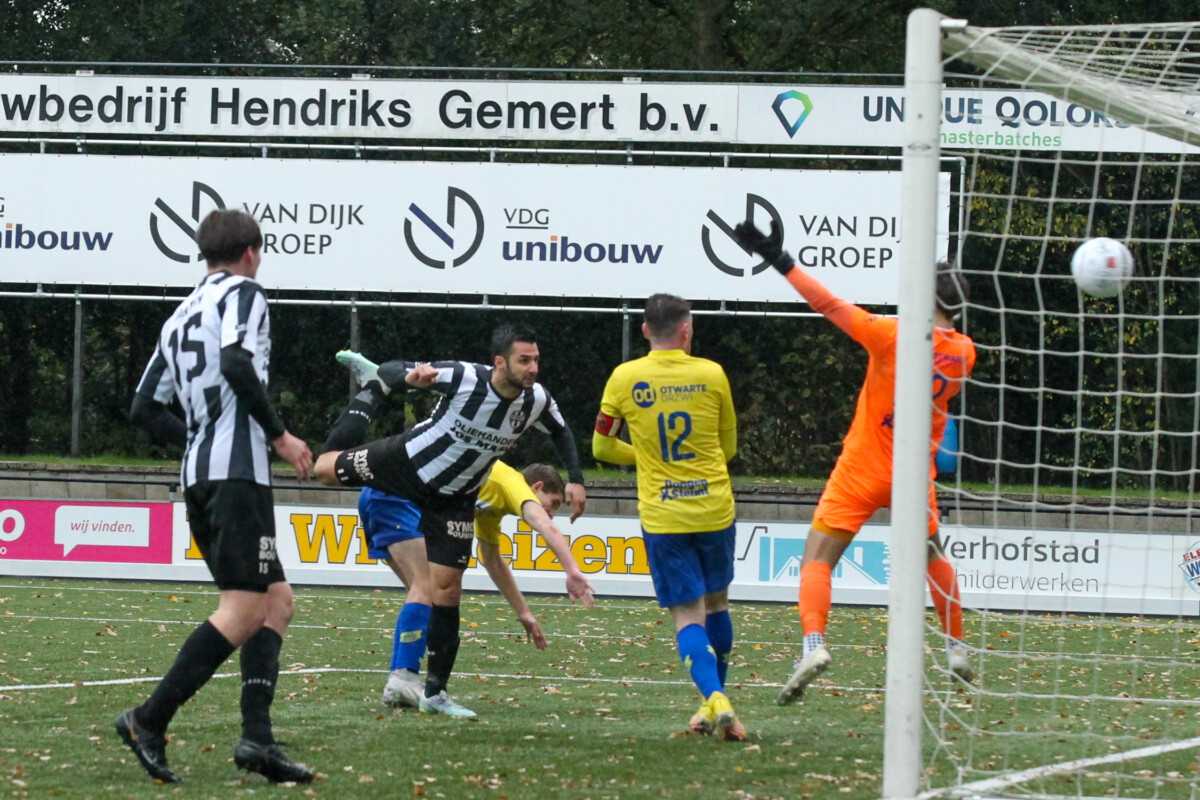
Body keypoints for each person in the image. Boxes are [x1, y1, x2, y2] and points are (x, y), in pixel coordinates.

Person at [733, 219, 977, 705]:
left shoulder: (889, 334)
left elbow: (825, 303)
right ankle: (956, 646)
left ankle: (814, 645)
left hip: (863, 468)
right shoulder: (965, 354)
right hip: (912, 476)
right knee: (933, 555)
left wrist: (779, 259)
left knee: (816, 560)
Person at [120, 209, 315, 784]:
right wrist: (278, 435)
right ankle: (148, 719)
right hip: (235, 478)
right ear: (251, 251)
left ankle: (257, 740)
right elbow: (234, 361)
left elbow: (142, 408)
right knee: (245, 607)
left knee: (275, 600)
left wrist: (199, 441)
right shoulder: (246, 293)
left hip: (202, 477)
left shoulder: (180, 314)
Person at [313, 325, 588, 718]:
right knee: (324, 469)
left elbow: (561, 432)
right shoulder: (463, 377)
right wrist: (399, 379)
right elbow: (399, 369)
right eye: (524, 360)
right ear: (499, 362)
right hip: (407, 467)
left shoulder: (537, 400)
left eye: (536, 360)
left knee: (446, 591)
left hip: (455, 499)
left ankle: (434, 692)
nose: (532, 369)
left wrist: (576, 477)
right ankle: (369, 391)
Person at [592, 293, 744, 741]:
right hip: (715, 508)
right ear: (686, 330)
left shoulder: (624, 378)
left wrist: (647, 457)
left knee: (687, 616)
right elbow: (729, 448)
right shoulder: (712, 374)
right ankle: (713, 701)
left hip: (664, 516)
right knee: (717, 604)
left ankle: (714, 699)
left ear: (643, 331)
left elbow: (601, 446)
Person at [370, 458, 596, 708]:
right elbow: (545, 525)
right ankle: (402, 678)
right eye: (552, 503)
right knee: (427, 588)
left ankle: (401, 681)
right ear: (536, 487)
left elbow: (492, 561)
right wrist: (572, 570)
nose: (552, 513)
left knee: (427, 595)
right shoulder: (511, 482)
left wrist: (523, 612)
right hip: (394, 496)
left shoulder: (494, 503)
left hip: (383, 496)